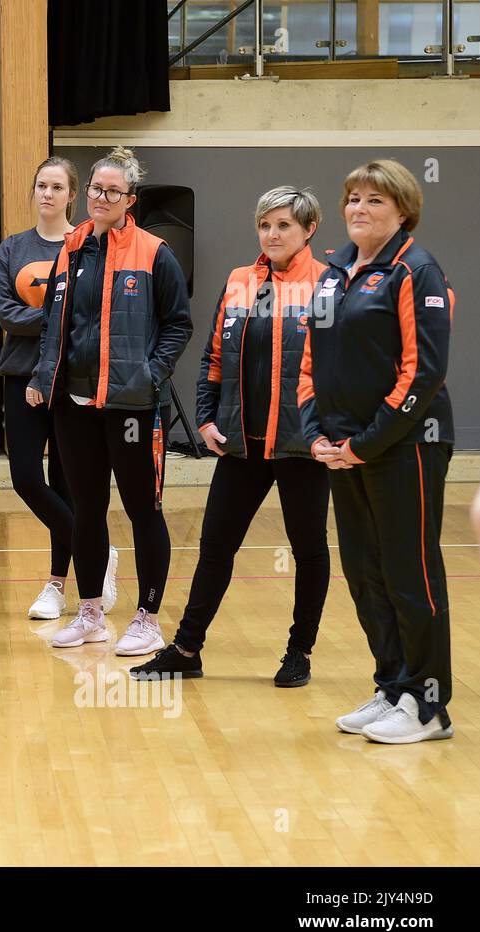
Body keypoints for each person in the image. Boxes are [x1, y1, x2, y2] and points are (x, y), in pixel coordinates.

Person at [131, 187, 329, 685]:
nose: (272, 233)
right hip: (242, 443)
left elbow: (344, 369)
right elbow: (214, 357)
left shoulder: (330, 285)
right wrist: (205, 419)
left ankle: (299, 653)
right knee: (215, 547)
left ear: (309, 230)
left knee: (308, 548)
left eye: (284, 225)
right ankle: (187, 649)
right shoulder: (241, 280)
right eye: (265, 225)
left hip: (302, 445)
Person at [301, 159, 455, 744]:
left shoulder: (417, 270)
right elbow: (310, 359)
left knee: (409, 575)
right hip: (343, 449)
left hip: (406, 447)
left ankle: (429, 703)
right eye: (354, 199)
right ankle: (393, 687)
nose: (360, 209)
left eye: (375, 201)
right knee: (366, 575)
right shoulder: (333, 271)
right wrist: (317, 434)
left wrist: (365, 444)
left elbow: (424, 373)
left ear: (403, 210)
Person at [29, 146, 192, 653]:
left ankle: (147, 618)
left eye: (111, 191)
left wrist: (150, 375)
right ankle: (91, 613)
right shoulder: (71, 248)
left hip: (132, 409)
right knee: (87, 510)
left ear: (129, 199)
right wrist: (44, 377)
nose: (101, 197)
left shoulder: (153, 252)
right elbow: (55, 326)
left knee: (144, 509)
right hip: (74, 407)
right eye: (96, 189)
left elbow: (178, 324)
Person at [0, 156, 117, 619]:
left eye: (57, 186)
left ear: (71, 194)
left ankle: (57, 585)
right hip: (21, 376)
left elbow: (92, 315)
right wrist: (57, 318)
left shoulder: (85, 246)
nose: (47, 193)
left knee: (69, 483)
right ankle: (97, 549)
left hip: (70, 380)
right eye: (41, 184)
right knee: (26, 476)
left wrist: (56, 323)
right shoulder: (12, 249)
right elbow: (6, 314)